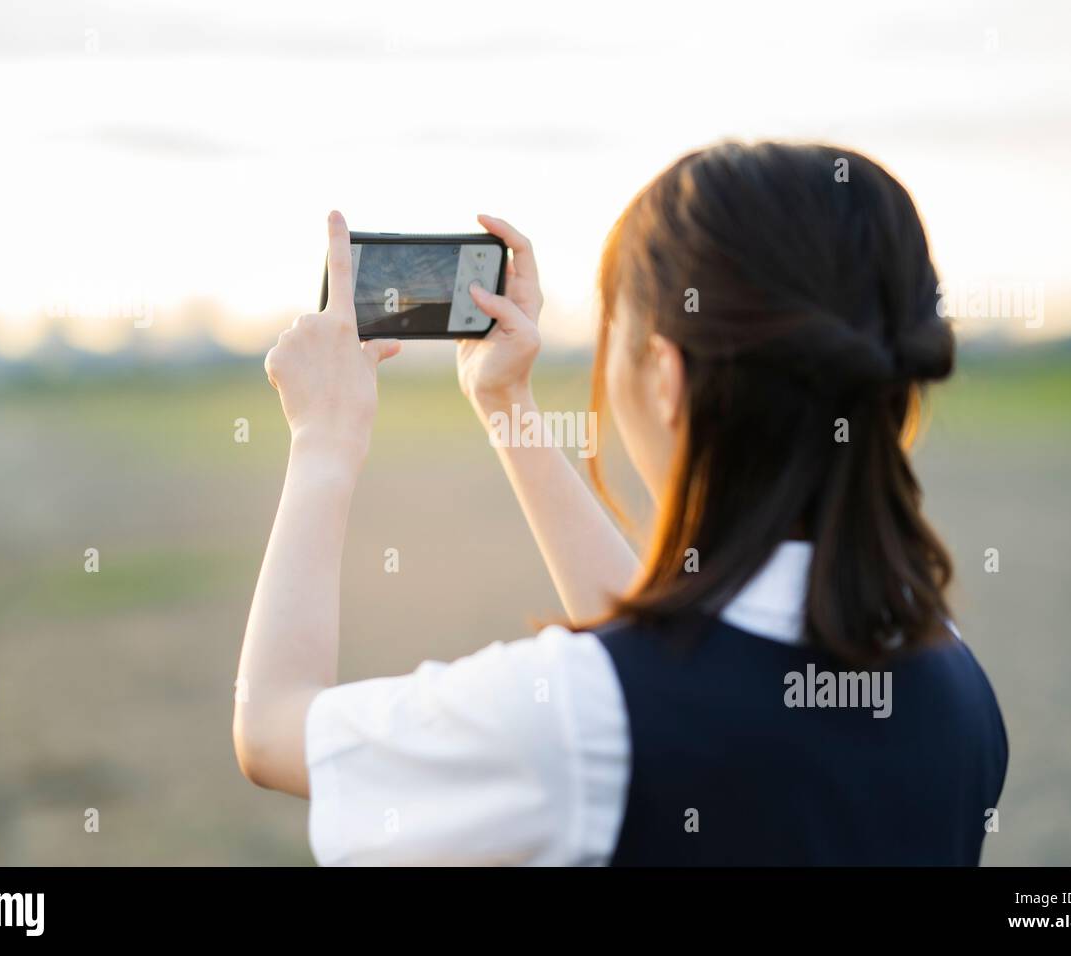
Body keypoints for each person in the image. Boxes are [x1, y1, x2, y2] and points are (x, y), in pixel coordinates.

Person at [233, 141, 1008, 866]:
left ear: (666, 377)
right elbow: (677, 660)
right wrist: (506, 403)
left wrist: (324, 440)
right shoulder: (952, 673)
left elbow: (272, 730)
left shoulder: (577, 719)